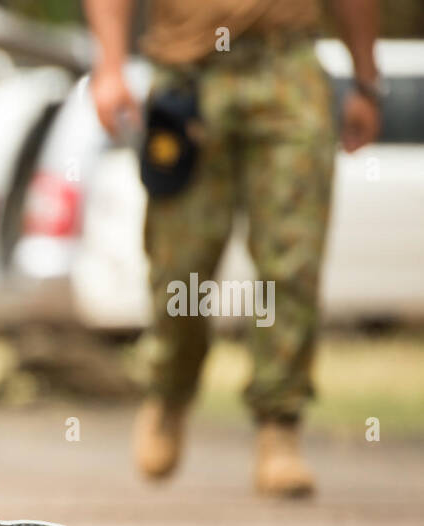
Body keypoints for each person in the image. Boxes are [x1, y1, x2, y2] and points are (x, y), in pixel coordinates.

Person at [84, 0, 381, 497]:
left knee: (293, 259)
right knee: (181, 262)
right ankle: (169, 391)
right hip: (188, 74)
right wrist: (109, 67)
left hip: (288, 69)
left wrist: (366, 81)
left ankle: (280, 425)